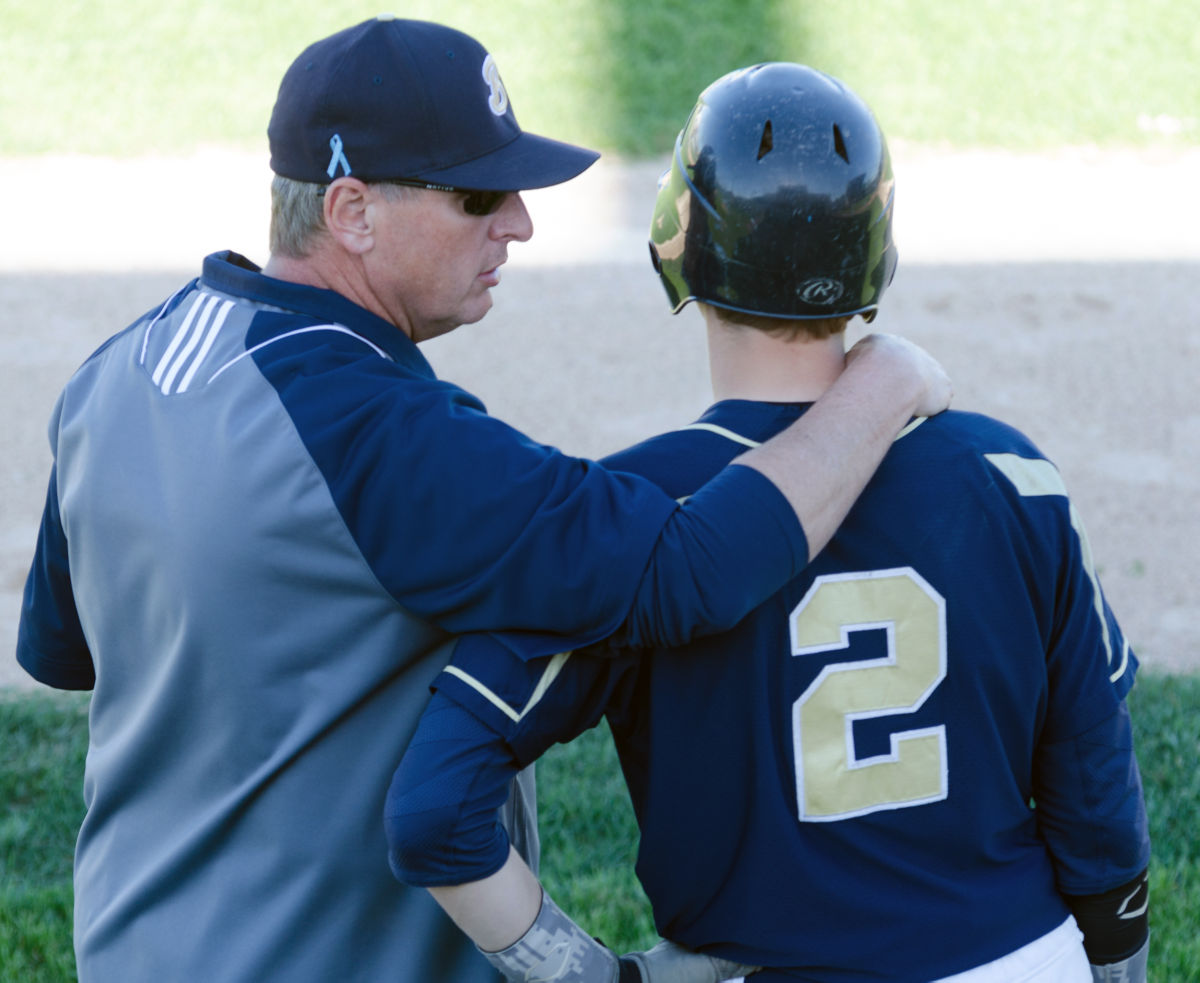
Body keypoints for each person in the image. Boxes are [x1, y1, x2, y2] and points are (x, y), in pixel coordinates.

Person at [14, 18, 952, 983]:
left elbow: (65, 651)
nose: (518, 222)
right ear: (351, 210)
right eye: (476, 196)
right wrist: (882, 383)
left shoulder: (120, 370)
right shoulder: (378, 432)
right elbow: (691, 570)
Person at [384, 63, 1151, 983]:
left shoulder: (622, 516)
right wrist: (1116, 965)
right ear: (874, 249)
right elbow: (1093, 779)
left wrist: (598, 977)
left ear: (680, 243)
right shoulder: (1015, 474)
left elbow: (436, 811)